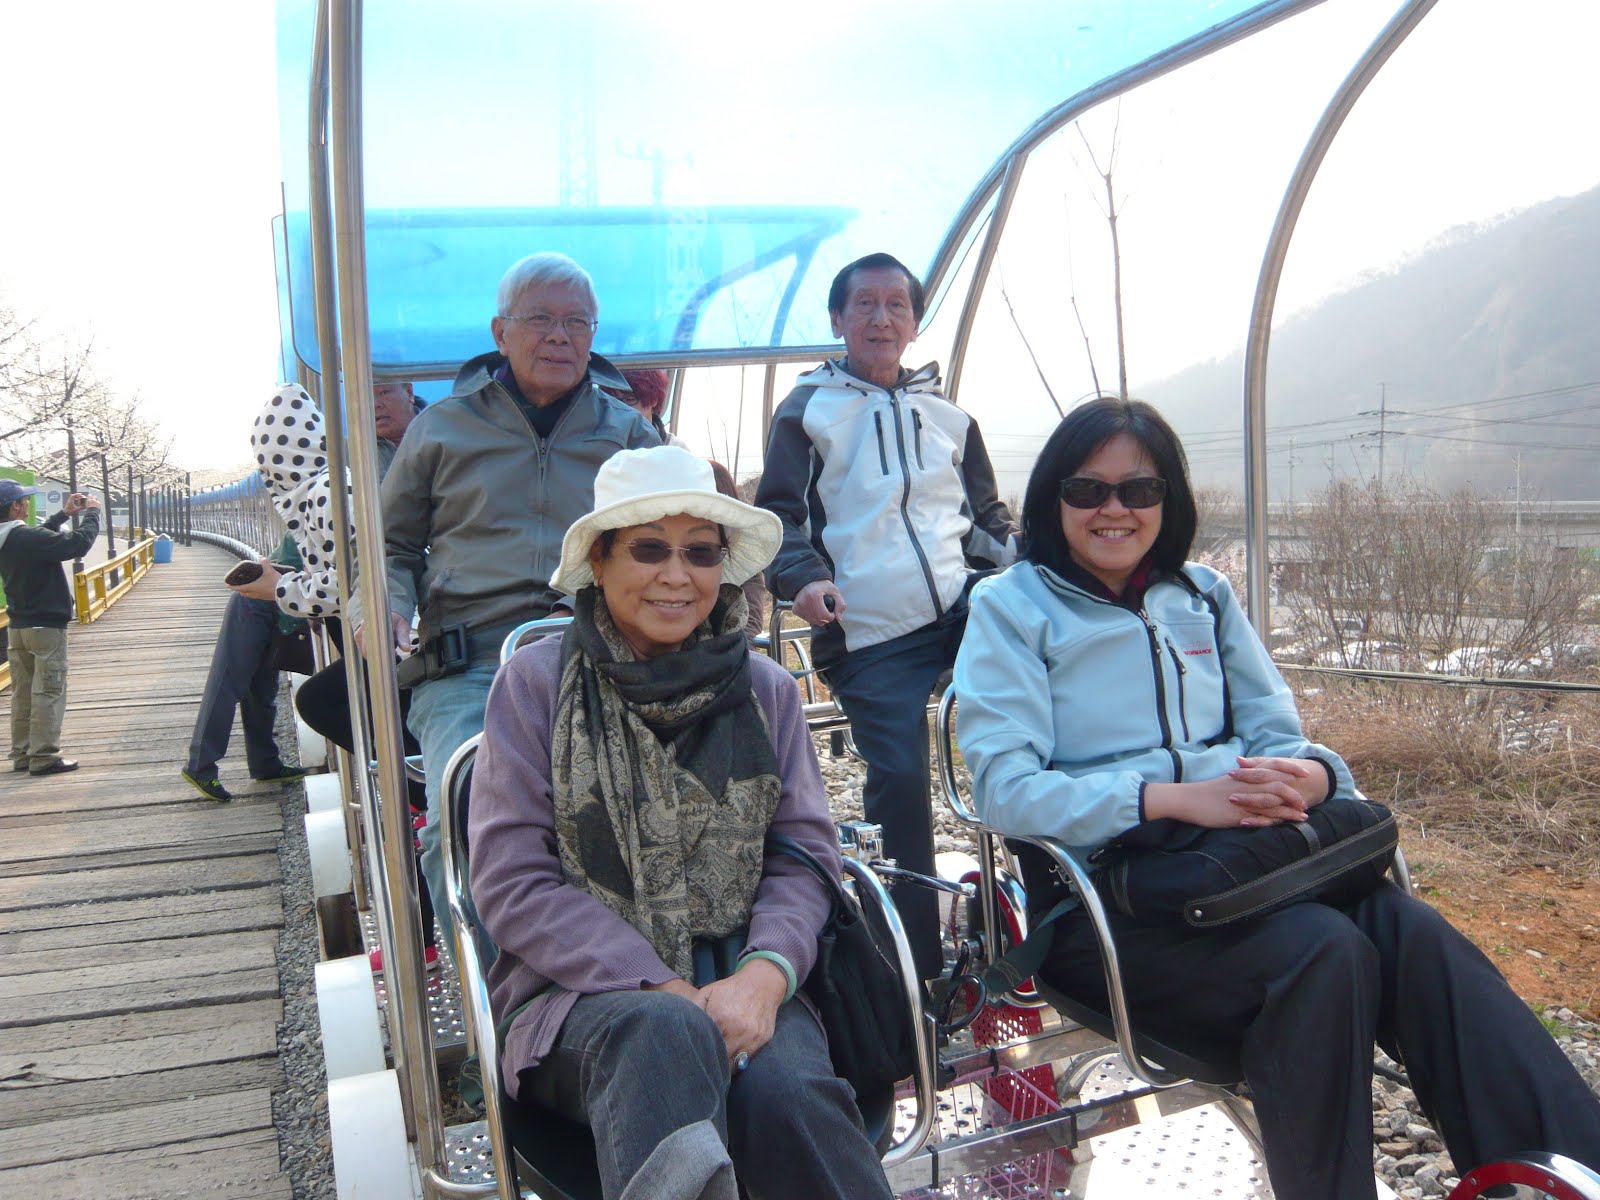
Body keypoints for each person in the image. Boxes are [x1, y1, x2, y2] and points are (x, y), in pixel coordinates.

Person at [952, 396, 1600, 1199]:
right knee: (1327, 952)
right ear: (1055, 498)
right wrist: (1172, 798)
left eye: (1139, 490)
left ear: (1169, 501)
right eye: (1088, 490)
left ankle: (1572, 1167)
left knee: (1410, 931)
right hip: (1113, 913)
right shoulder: (1013, 609)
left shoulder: (1204, 597)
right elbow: (1006, 791)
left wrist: (1322, 778)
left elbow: (1280, 737)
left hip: (1249, 872)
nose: (1114, 509)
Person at [470, 445, 893, 1200]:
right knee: (662, 1036)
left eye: (700, 553)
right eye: (649, 549)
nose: (676, 575)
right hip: (581, 997)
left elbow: (802, 858)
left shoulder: (767, 692)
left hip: (741, 976)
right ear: (598, 563)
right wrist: (657, 985)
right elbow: (513, 882)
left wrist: (764, 978)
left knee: (788, 1095)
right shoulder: (533, 687)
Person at [355, 251, 659, 956]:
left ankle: (638, 987)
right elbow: (390, 549)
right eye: (541, 320)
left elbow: (676, 538)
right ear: (500, 331)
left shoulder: (628, 435)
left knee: (644, 811)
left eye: (576, 322)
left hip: (603, 653)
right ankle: (508, 1018)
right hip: (472, 663)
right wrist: (385, 606)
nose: (560, 336)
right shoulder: (442, 431)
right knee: (466, 815)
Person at [754, 251, 1018, 979]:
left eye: (895, 305)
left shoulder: (950, 416)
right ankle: (912, 968)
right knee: (900, 777)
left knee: (1035, 729)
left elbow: (987, 519)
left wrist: (1025, 567)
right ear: (837, 320)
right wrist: (803, 581)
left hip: (965, 612)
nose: (880, 318)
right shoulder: (808, 411)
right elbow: (779, 520)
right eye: (863, 305)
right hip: (871, 630)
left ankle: (1045, 913)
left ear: (915, 319)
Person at [238, 378, 436, 968]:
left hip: (398, 649)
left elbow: (356, 580)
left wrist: (281, 589)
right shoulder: (336, 484)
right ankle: (413, 790)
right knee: (403, 791)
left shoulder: (324, 495)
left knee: (326, 705)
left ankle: (414, 786)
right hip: (397, 646)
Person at [178, 531, 309, 801]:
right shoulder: (319, 518)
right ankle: (200, 767)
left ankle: (266, 763)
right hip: (255, 602)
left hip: (276, 606)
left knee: (262, 690)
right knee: (227, 686)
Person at [0, 481, 100, 775]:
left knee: (23, 692)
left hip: (19, 627)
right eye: (24, 501)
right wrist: (93, 513)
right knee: (48, 691)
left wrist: (63, 515)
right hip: (46, 627)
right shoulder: (25, 537)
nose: (28, 505)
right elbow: (78, 544)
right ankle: (44, 756)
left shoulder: (9, 539)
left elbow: (40, 543)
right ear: (15, 507)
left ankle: (22, 753)